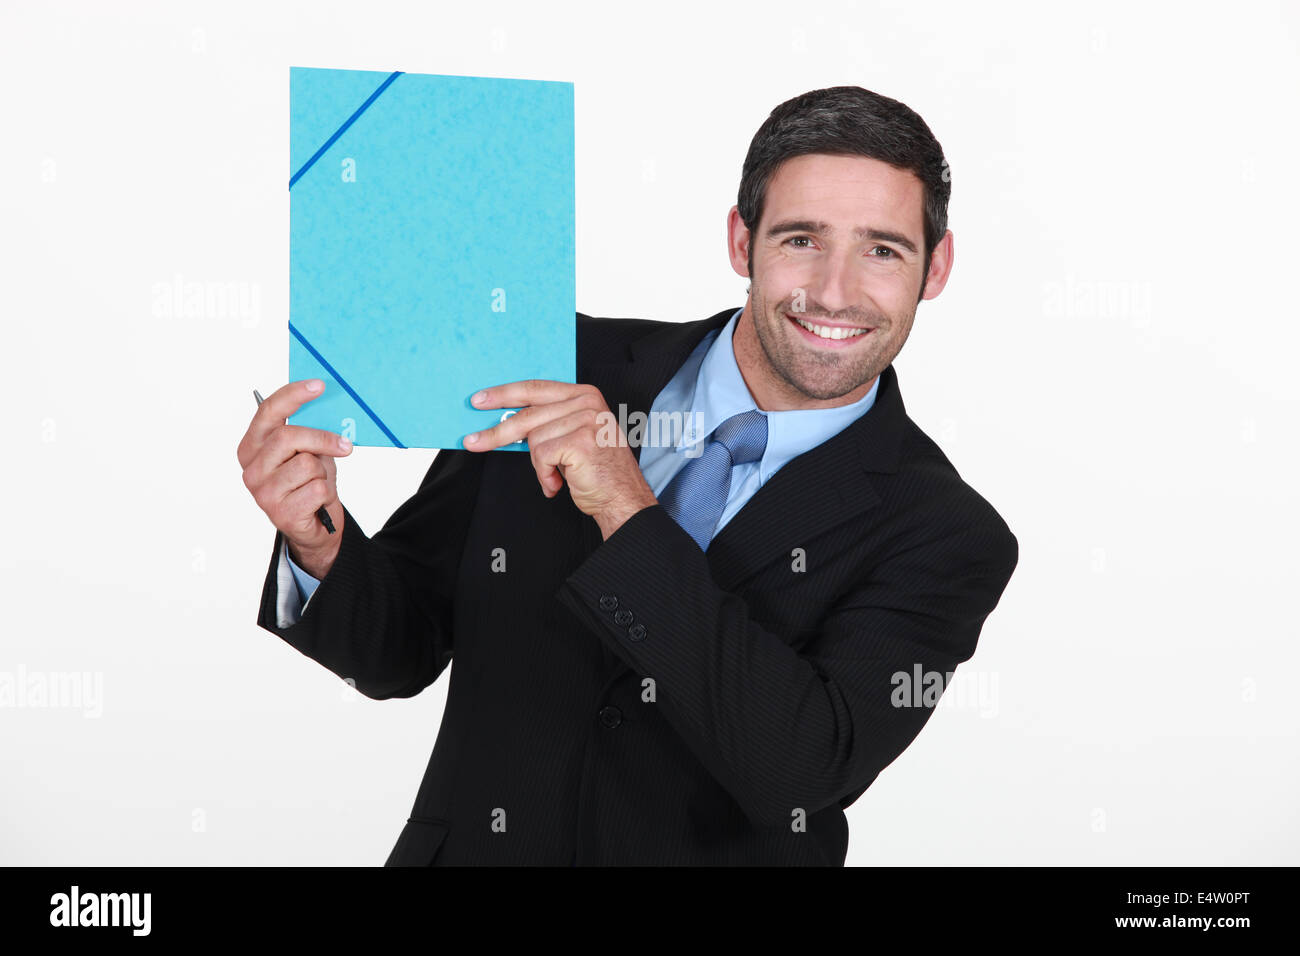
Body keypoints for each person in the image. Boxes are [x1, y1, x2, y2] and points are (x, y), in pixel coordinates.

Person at [236, 86, 1018, 865]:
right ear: (742, 243)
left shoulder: (949, 535)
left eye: (883, 249)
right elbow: (399, 651)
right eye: (801, 240)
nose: (836, 292)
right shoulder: (553, 368)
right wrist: (319, 544)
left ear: (936, 265)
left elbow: (801, 769)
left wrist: (625, 506)